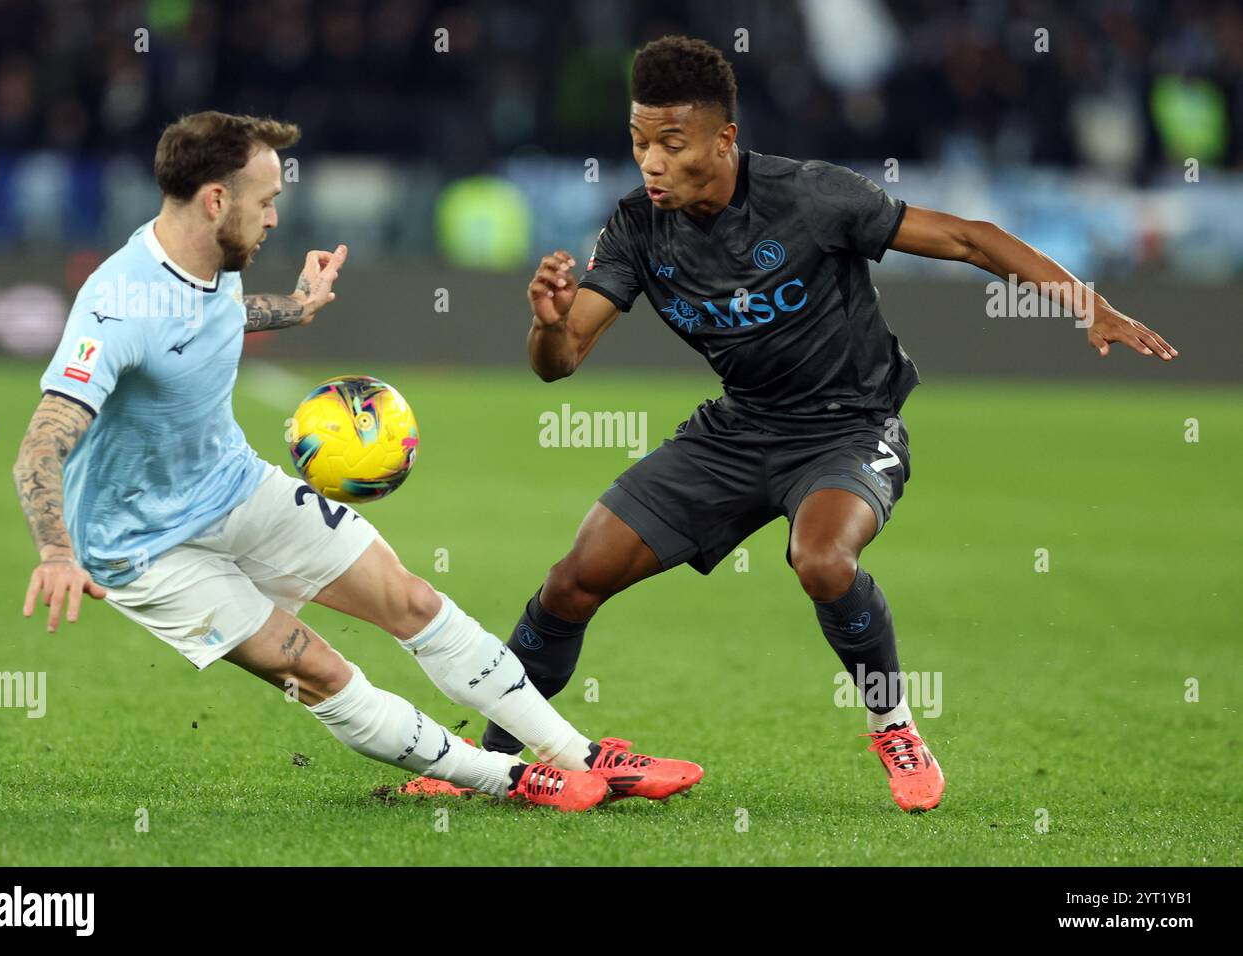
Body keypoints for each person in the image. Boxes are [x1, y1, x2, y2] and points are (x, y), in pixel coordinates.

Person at [463, 36, 1175, 813]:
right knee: (573, 580)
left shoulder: (810, 196)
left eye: (672, 143)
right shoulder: (637, 228)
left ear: (723, 138)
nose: (652, 163)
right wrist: (544, 324)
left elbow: (970, 237)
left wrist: (1086, 303)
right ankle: (493, 758)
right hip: (735, 433)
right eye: (639, 143)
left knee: (823, 562)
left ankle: (893, 723)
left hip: (848, 427)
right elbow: (559, 361)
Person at [13, 110, 702, 812]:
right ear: (216, 200)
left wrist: (295, 307)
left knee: (412, 599)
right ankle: (515, 779)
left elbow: (208, 314)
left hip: (230, 487)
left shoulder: (206, 255)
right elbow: (42, 441)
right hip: (143, 547)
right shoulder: (117, 304)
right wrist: (56, 553)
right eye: (267, 200)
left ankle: (581, 756)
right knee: (314, 666)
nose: (276, 218)